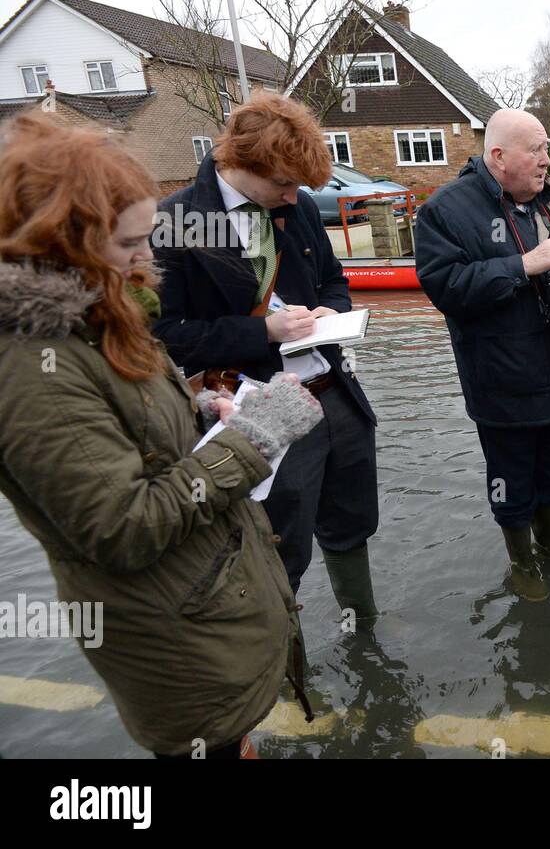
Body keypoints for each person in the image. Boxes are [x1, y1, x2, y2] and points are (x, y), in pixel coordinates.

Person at [0, 114, 320, 758]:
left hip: (199, 609)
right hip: (170, 632)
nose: (147, 261)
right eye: (128, 246)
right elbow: (123, 528)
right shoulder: (34, 368)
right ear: (61, 247)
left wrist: (199, 412)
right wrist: (254, 438)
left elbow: (128, 434)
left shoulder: (98, 316)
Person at [153, 92, 379, 619]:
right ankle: (284, 668)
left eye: (299, 186)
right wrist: (266, 333)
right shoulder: (175, 221)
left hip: (333, 394)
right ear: (235, 161)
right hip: (255, 409)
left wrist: (330, 309)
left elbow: (333, 280)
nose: (292, 196)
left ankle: (361, 626)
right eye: (282, 183)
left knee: (351, 520)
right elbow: (164, 334)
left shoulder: (294, 207)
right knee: (280, 544)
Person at [415, 109, 550, 602]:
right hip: (505, 392)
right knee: (511, 484)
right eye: (536, 149)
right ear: (498, 157)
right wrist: (522, 266)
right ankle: (523, 562)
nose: (547, 159)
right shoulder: (446, 211)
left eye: (546, 148)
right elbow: (446, 287)